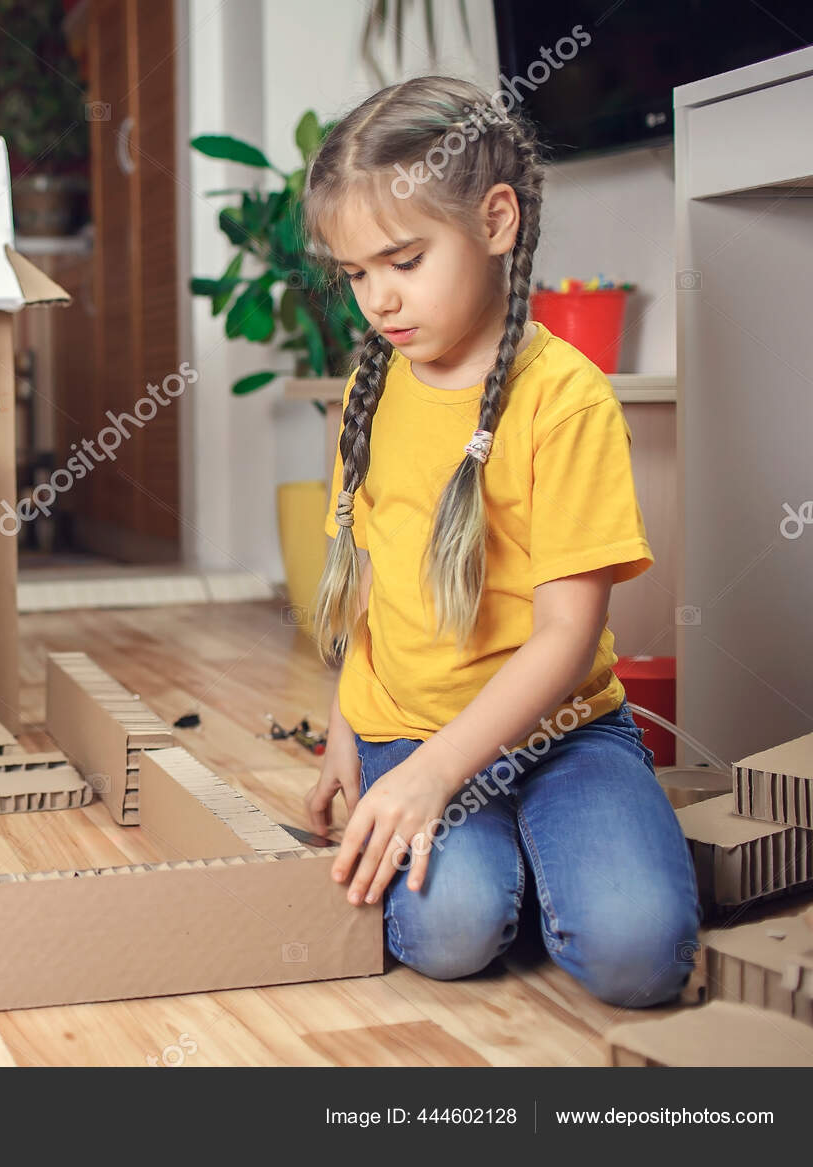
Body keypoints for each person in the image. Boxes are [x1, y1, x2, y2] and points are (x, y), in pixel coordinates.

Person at [300, 76, 698, 1007]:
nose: (378, 302)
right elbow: (370, 583)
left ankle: (548, 847)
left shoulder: (567, 400)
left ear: (497, 221)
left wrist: (447, 776)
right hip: (413, 728)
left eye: (403, 260)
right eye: (356, 275)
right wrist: (345, 732)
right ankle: (508, 864)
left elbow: (566, 634)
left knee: (639, 958)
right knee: (450, 933)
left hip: (566, 735)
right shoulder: (373, 391)